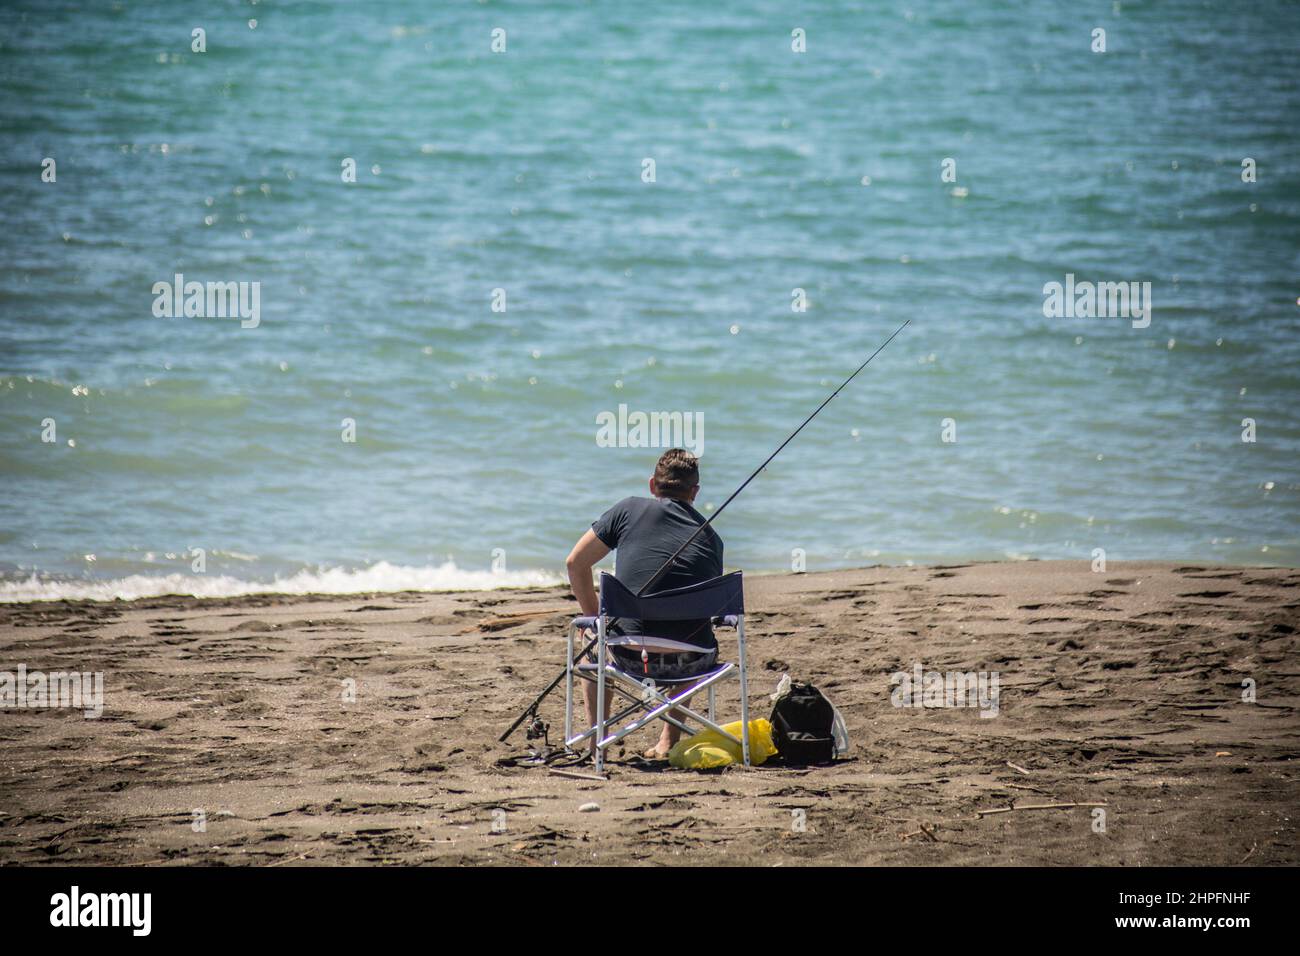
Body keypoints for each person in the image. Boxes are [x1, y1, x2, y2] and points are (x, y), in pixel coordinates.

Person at [565, 448, 723, 759]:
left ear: (653, 485)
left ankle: (601, 738)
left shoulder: (626, 510)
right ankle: (669, 739)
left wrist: (593, 616)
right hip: (692, 660)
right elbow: (708, 611)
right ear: (695, 492)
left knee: (589, 635)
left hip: (628, 655)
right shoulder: (713, 538)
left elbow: (575, 563)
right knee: (691, 630)